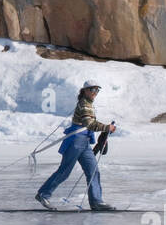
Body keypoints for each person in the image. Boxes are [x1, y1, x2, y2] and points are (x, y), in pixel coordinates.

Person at [36, 80, 118, 211]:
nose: (95, 93)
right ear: (85, 90)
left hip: (84, 141)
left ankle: (96, 201)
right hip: (75, 141)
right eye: (92, 90)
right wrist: (107, 127)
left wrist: (105, 129)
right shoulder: (84, 104)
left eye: (97, 90)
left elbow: (91, 123)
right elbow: (88, 123)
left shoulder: (89, 104)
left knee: (93, 171)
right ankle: (43, 194)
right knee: (64, 171)